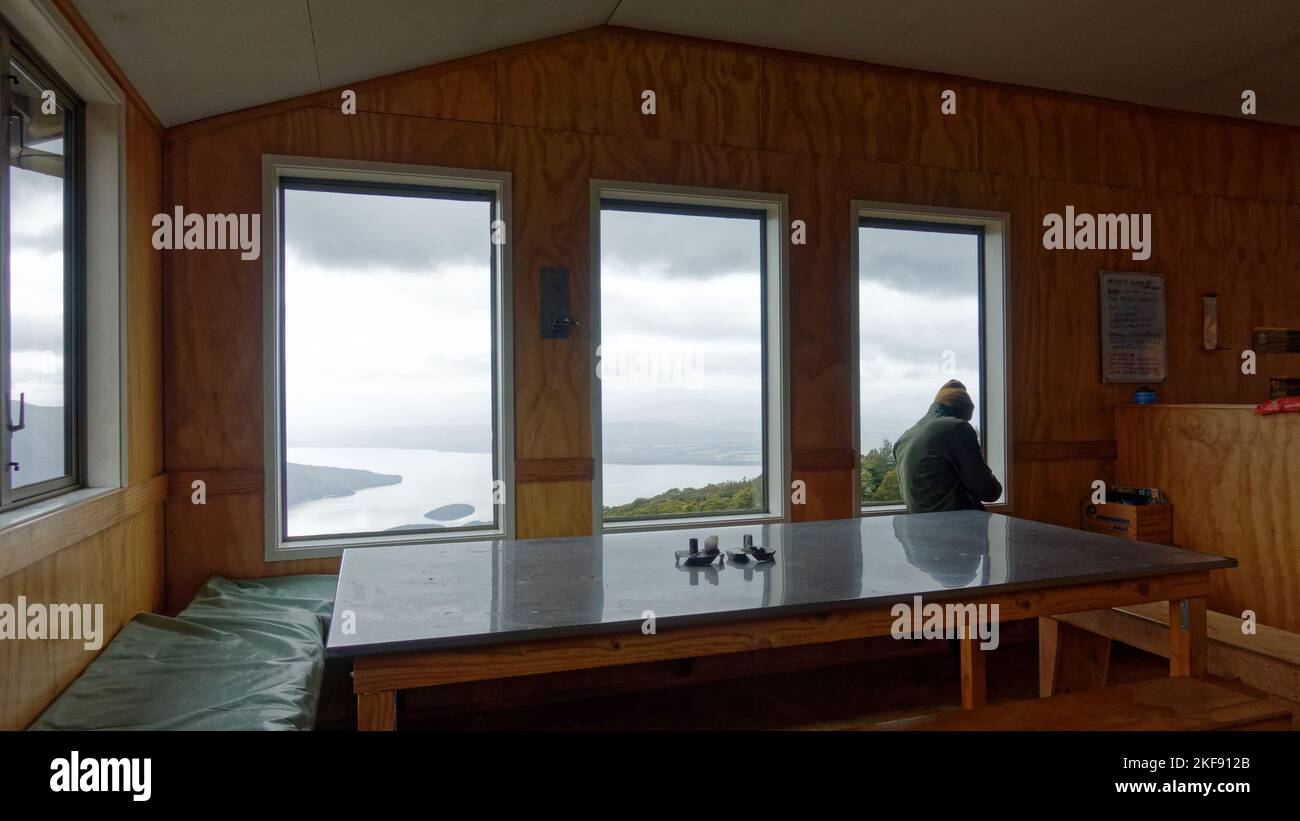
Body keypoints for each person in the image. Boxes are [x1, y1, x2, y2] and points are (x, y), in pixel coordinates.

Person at [893, 379, 1002, 513]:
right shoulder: (958, 428)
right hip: (958, 528)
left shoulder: (903, 440)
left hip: (918, 530)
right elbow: (989, 492)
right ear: (964, 411)